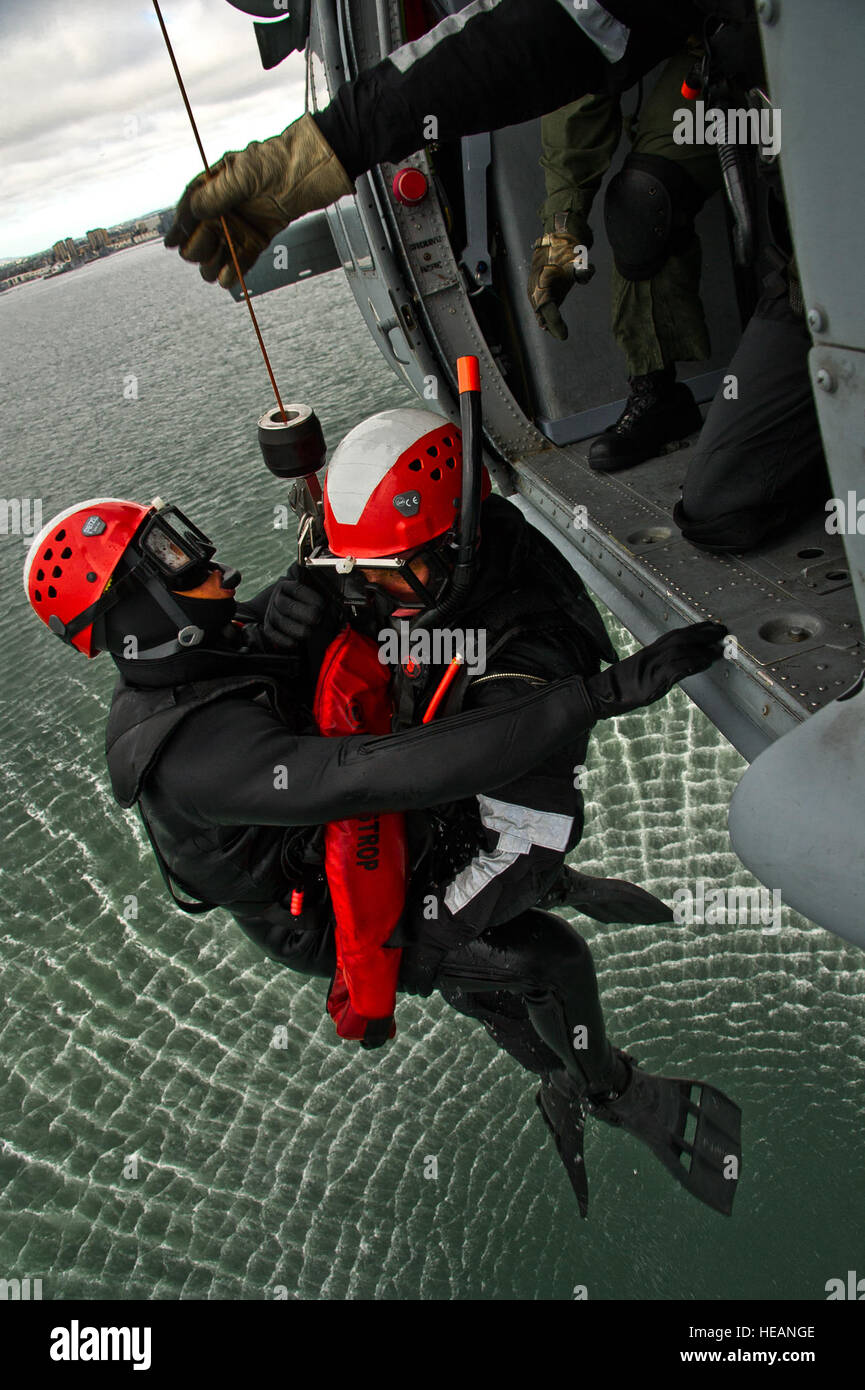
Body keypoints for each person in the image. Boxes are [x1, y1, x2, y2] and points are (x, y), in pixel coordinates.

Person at [24, 486, 736, 1214]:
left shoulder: (209, 637)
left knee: (484, 855)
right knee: (542, 960)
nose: (211, 565)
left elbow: (325, 640)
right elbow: (366, 777)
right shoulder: (192, 756)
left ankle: (534, 889)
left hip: (350, 834)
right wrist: (598, 693)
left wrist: (306, 586)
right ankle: (602, 1090)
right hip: (324, 914)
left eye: (180, 540)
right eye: (172, 561)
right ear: (138, 613)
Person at [312, 405, 741, 1216]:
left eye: (383, 574)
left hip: (520, 827)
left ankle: (600, 1089)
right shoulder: (481, 552)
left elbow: (479, 745)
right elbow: (432, 649)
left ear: (450, 549)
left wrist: (416, 950)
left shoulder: (528, 651)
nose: (368, 593)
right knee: (494, 921)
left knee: (520, 964)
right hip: (489, 808)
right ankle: (557, 896)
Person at [527, 46, 721, 470]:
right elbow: (583, 65)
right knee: (644, 200)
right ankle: (658, 393)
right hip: (709, 42)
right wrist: (562, 226)